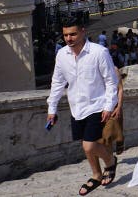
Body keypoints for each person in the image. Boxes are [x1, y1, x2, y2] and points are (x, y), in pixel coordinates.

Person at [47, 16, 119, 195]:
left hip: (97, 105)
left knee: (89, 145)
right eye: (65, 35)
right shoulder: (62, 54)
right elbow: (57, 83)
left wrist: (109, 106)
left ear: (82, 31)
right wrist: (52, 109)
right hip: (76, 107)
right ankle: (96, 174)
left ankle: (110, 162)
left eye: (72, 34)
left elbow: (111, 81)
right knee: (86, 144)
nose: (69, 38)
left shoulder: (99, 52)